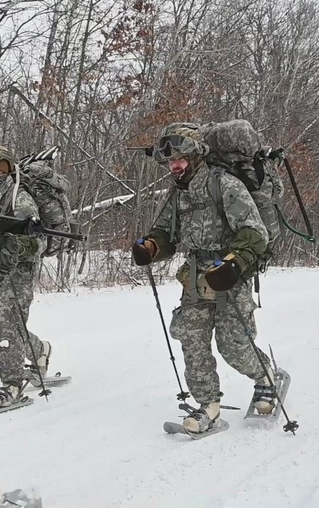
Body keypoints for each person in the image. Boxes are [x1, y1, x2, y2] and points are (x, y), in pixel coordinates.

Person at [131, 123, 277, 434]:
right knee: (192, 339)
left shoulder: (224, 185)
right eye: (170, 161)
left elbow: (254, 233)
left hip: (229, 273)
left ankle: (266, 378)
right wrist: (151, 247)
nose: (174, 166)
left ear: (196, 155)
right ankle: (208, 405)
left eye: (180, 159)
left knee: (233, 345)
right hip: (196, 275)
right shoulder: (177, 192)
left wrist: (234, 264)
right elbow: (164, 234)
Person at [0, 144, 52, 409]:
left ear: (3, 167)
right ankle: (39, 350)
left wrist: (13, 246)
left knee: (7, 323)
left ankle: (12, 383)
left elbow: (39, 241)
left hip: (18, 270)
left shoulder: (18, 196)